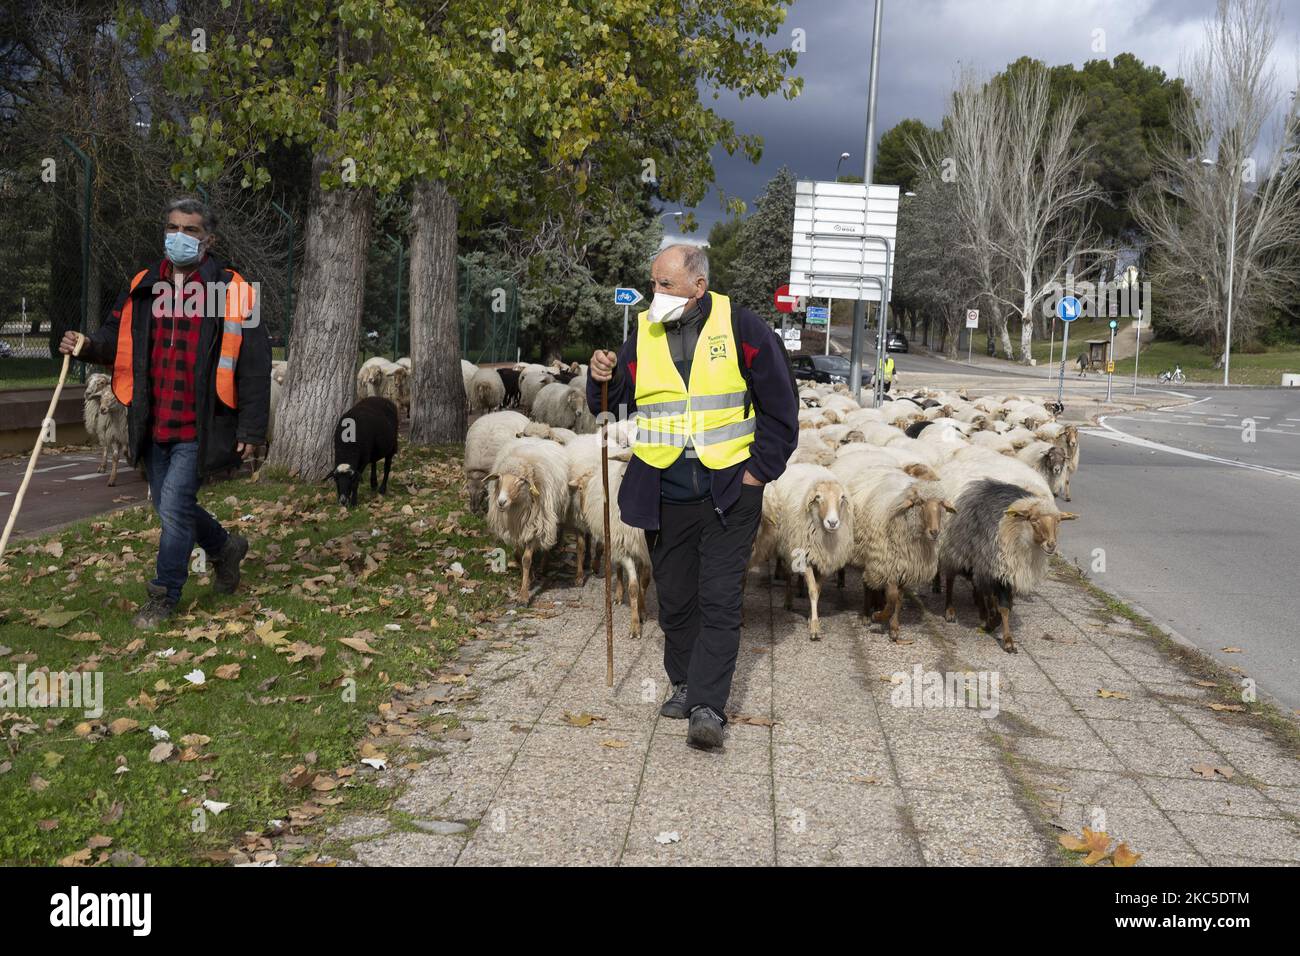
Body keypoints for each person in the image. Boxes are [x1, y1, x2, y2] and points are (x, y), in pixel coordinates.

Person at [587, 245, 798, 750]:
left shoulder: (743, 329)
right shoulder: (643, 334)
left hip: (729, 489)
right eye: (653, 283)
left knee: (721, 598)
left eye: (666, 284)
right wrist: (599, 373)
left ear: (698, 286)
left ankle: (708, 705)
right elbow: (613, 398)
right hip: (664, 489)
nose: (655, 294)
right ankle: (683, 682)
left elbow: (781, 405)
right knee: (676, 599)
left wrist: (758, 472)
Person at [60, 198, 270, 629]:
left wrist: (252, 426)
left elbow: (254, 364)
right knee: (173, 508)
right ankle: (225, 547)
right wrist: (84, 345)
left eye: (190, 230)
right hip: (152, 422)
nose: (179, 236)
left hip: (202, 424)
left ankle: (163, 595)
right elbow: (113, 337)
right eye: (172, 227)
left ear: (208, 239)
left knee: (173, 506)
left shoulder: (233, 290)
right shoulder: (144, 285)